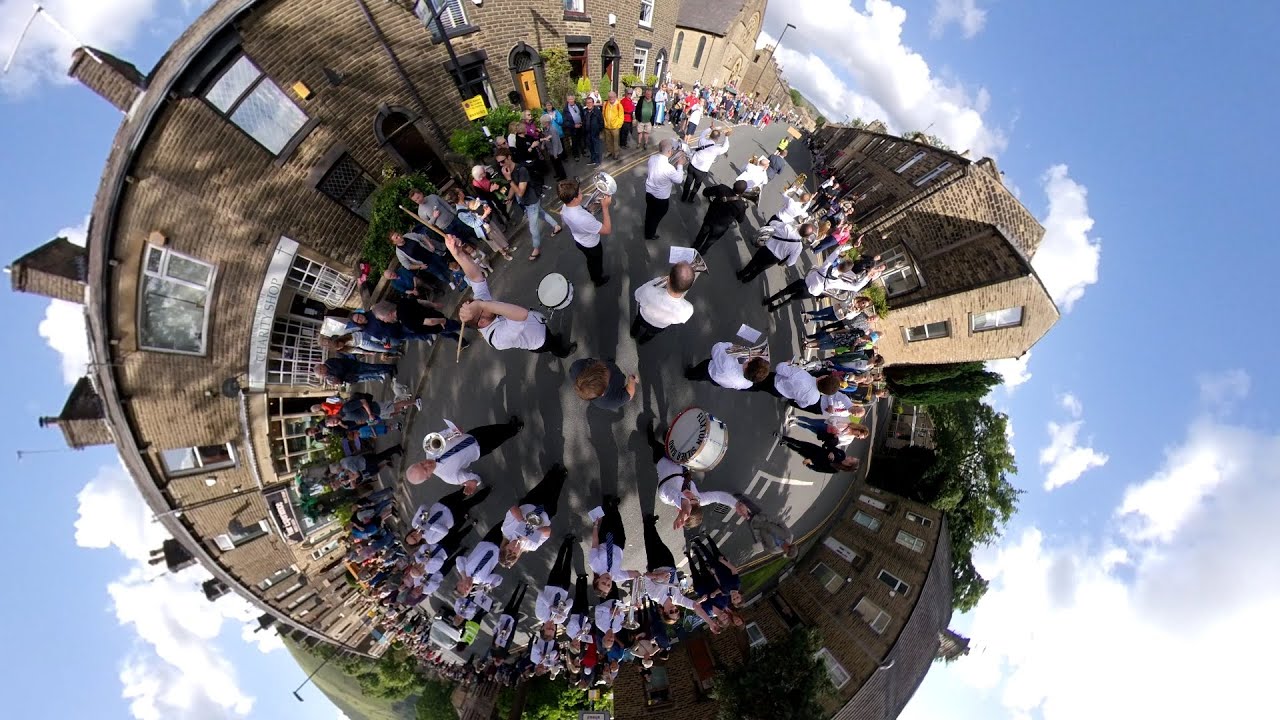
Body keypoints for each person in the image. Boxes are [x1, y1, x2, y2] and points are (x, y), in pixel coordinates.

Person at [445, 235, 577, 357]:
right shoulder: (497, 338)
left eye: (477, 301)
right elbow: (522, 315)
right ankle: (563, 352)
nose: (483, 301)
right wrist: (481, 304)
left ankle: (555, 339)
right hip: (539, 340)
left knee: (552, 336)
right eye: (480, 305)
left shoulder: (481, 306)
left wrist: (458, 254)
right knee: (552, 345)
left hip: (537, 323)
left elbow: (476, 277)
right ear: (482, 322)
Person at [404, 416, 525, 493]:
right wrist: (473, 483)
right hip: (480, 449)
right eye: (425, 469)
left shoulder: (429, 449)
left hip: (472, 435)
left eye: (421, 463)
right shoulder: (448, 476)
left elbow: (443, 435)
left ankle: (509, 426)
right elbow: (471, 479)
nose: (426, 464)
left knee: (493, 429)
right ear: (428, 477)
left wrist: (453, 430)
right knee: (500, 437)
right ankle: (514, 430)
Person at [496, 148, 561, 261]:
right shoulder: (508, 170)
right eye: (499, 162)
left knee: (533, 227)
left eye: (502, 161)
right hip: (526, 202)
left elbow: (520, 192)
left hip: (531, 200)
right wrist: (509, 197)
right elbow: (513, 186)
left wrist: (509, 179)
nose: (501, 164)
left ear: (509, 157)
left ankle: (536, 248)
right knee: (541, 214)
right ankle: (556, 226)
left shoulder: (521, 170)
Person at [499, 463, 569, 566]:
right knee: (555, 492)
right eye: (514, 552)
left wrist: (521, 521)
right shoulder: (531, 546)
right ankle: (561, 476)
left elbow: (513, 509)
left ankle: (553, 471)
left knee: (544, 485)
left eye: (510, 549)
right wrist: (531, 534)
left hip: (531, 502)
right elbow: (548, 531)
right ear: (518, 555)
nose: (514, 548)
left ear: (505, 546)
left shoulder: (506, 530)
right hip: (546, 512)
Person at [557, 178, 612, 286]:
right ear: (574, 199)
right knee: (596, 262)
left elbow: (578, 214)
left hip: (579, 241)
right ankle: (598, 280)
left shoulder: (565, 207)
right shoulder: (582, 219)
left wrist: (589, 208)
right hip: (592, 245)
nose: (582, 194)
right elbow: (607, 230)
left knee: (590, 261)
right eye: (580, 193)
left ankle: (593, 275)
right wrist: (605, 208)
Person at [763, 255, 863, 313]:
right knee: (791, 300)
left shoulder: (828, 266)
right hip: (810, 292)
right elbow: (854, 287)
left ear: (841, 263)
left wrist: (841, 248)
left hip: (804, 282)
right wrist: (867, 277)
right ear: (845, 272)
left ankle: (768, 301)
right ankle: (774, 308)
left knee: (785, 291)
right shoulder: (838, 281)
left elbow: (832, 256)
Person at [631, 261, 696, 345]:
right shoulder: (688, 309)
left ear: (668, 279)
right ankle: (642, 341)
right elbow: (681, 319)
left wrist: (658, 280)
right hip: (659, 326)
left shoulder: (649, 291)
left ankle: (633, 333)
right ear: (687, 288)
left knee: (637, 323)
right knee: (651, 333)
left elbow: (637, 295)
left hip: (643, 317)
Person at [407, 486, 493, 546]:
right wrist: (429, 526)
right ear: (418, 542)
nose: (415, 536)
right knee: (471, 502)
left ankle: (475, 483)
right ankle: (487, 490)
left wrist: (422, 518)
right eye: (414, 539)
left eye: (411, 535)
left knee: (462, 492)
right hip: (453, 516)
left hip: (443, 504)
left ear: (410, 532)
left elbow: (423, 507)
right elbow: (445, 531)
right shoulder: (430, 540)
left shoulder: (415, 523)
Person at [589, 493, 639, 595]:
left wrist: (595, 527)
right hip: (619, 543)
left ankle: (606, 502)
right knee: (617, 521)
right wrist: (638, 586)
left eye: (603, 583)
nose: (607, 581)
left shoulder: (594, 564)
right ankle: (614, 506)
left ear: (597, 581)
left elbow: (595, 544)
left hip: (605, 538)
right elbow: (636, 574)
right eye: (608, 585)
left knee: (607, 518)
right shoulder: (616, 577)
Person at [736, 221, 816, 284]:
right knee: (759, 270)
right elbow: (790, 262)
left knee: (753, 262)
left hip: (766, 248)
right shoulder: (799, 247)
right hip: (774, 259)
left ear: (801, 226)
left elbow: (772, 223)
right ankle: (746, 280)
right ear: (806, 237)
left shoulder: (787, 227)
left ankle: (741, 274)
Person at [642, 139, 687, 240]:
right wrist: (680, 165)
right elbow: (679, 179)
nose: (673, 151)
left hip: (649, 193)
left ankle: (647, 228)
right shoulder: (669, 169)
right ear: (669, 151)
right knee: (656, 218)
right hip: (661, 198)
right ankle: (650, 234)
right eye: (672, 149)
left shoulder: (652, 158)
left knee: (649, 212)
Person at [691, 180, 748, 256]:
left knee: (702, 233)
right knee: (710, 240)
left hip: (710, 218)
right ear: (743, 192)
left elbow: (705, 192)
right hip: (721, 227)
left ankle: (694, 247)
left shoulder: (722, 188)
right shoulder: (741, 205)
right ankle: (702, 252)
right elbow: (740, 220)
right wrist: (744, 207)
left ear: (733, 184)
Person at [684, 340, 771, 390]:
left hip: (708, 370)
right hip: (717, 381)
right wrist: (743, 354)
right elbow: (738, 365)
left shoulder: (727, 364)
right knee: (703, 378)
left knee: (697, 373)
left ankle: (688, 374)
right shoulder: (749, 384)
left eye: (750, 361)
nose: (750, 358)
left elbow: (717, 347)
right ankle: (692, 376)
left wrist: (737, 348)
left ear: (747, 366)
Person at [761, 362, 842, 414]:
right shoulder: (815, 399)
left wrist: (787, 363)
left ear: (822, 377)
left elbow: (779, 368)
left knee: (757, 377)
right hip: (779, 393)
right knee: (759, 388)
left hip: (774, 379)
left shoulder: (803, 374)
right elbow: (801, 404)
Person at [389, 230, 454, 291]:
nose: (399, 237)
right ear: (394, 242)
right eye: (396, 238)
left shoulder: (408, 236)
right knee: (438, 273)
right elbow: (407, 265)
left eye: (398, 234)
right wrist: (419, 266)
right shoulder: (399, 252)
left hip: (430, 253)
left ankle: (455, 274)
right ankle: (449, 282)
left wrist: (430, 244)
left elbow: (421, 237)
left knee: (444, 264)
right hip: (424, 263)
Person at [679, 127, 731, 203]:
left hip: (692, 166)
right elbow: (725, 148)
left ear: (710, 135)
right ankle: (691, 198)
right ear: (718, 138)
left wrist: (710, 128)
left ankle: (683, 197)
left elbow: (702, 134)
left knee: (688, 182)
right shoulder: (716, 149)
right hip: (702, 171)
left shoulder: (702, 141)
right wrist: (726, 136)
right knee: (697, 185)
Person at [454, 523, 506, 596]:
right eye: (467, 590)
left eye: (463, 586)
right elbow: (499, 579)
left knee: (506, 522)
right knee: (515, 532)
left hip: (489, 539)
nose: (467, 587)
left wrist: (464, 576)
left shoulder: (464, 569)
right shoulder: (482, 581)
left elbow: (459, 559)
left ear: (459, 582)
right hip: (501, 549)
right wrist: (490, 586)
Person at [569, 358, 637, 411]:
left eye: (602, 368)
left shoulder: (576, 367)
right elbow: (629, 394)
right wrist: (631, 381)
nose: (607, 369)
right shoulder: (611, 401)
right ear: (602, 393)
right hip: (618, 380)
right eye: (606, 375)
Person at [777, 435, 860, 474]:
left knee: (797, 449)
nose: (851, 457)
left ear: (849, 464)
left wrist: (808, 465)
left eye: (852, 459)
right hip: (816, 449)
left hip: (811, 458)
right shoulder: (842, 454)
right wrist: (831, 451)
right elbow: (829, 445)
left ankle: (786, 443)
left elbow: (820, 469)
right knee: (799, 443)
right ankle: (782, 437)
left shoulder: (835, 469)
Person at [490, 582, 529, 662]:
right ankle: (525, 588)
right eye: (498, 645)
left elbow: (498, 625)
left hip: (505, 616)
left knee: (512, 600)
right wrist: (502, 660)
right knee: (518, 603)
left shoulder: (495, 634)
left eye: (496, 644)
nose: (497, 644)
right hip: (511, 620)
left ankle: (518, 586)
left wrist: (500, 630)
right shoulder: (503, 647)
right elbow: (508, 656)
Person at [332, 444, 403, 486]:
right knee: (382, 456)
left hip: (366, 462)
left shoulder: (347, 465)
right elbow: (350, 469)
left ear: (338, 469)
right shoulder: (342, 461)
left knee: (383, 455)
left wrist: (350, 480)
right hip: (365, 458)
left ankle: (397, 448)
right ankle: (395, 450)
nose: (338, 473)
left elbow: (357, 474)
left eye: (337, 472)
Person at [313, 357, 396, 386]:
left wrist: (339, 377)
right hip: (354, 375)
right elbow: (341, 381)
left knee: (372, 367)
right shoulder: (329, 376)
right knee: (373, 373)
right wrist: (338, 381)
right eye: (320, 372)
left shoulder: (329, 362)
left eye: (320, 368)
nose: (322, 370)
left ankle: (391, 367)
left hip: (354, 366)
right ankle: (388, 371)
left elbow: (341, 367)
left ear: (321, 365)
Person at [539, 113, 567, 181]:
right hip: (551, 150)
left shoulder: (552, 130)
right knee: (554, 164)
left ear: (546, 123)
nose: (541, 124)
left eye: (542, 122)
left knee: (559, 164)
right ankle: (558, 174)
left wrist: (555, 154)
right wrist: (543, 144)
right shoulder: (545, 129)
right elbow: (545, 137)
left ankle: (563, 176)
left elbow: (555, 142)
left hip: (556, 151)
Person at [582, 95, 605, 165]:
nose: (589, 104)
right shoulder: (584, 111)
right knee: (591, 148)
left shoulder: (597, 111)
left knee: (596, 148)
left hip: (595, 133)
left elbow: (601, 122)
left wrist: (598, 130)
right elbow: (583, 121)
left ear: (593, 103)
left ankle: (598, 162)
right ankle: (593, 160)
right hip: (587, 134)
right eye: (587, 103)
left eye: (590, 102)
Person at [563, 93, 586, 161]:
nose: (571, 100)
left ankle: (583, 152)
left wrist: (582, 122)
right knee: (574, 142)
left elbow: (582, 114)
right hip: (573, 129)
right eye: (569, 99)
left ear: (574, 99)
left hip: (581, 126)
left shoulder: (578, 105)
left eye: (572, 99)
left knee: (582, 140)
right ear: (567, 100)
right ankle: (576, 155)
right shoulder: (565, 109)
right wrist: (574, 125)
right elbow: (565, 121)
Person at [602, 91, 623, 160]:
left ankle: (616, 153)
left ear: (615, 97)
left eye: (612, 97)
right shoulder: (606, 104)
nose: (611, 98)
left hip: (615, 127)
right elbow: (603, 114)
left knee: (615, 141)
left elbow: (621, 117)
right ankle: (609, 151)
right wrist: (604, 123)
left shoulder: (619, 105)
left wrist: (618, 125)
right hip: (607, 126)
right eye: (609, 97)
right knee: (608, 141)